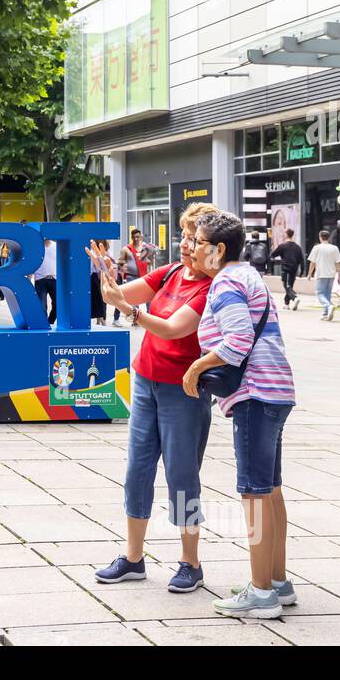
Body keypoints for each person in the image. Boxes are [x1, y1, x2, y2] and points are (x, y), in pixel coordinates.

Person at [91, 202, 218, 594]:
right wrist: (107, 278)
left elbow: (171, 328)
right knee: (137, 470)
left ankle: (190, 563)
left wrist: (128, 309)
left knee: (182, 476)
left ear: (214, 248)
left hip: (184, 390)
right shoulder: (173, 273)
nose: (185, 244)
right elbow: (118, 294)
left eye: (194, 238)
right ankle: (132, 558)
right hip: (145, 382)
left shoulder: (211, 287)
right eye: (183, 235)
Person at [182, 210, 296, 619]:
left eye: (197, 242)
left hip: (254, 395)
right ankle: (277, 582)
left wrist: (195, 368)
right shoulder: (249, 275)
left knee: (253, 492)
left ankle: (261, 592)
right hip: (275, 391)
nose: (192, 248)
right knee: (271, 489)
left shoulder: (228, 281)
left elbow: (237, 340)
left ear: (219, 249)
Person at [307, 229, 340, 321]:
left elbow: (312, 263)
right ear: (328, 237)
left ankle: (328, 306)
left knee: (319, 293)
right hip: (331, 274)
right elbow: (337, 263)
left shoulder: (316, 248)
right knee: (327, 294)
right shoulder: (334, 248)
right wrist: (338, 275)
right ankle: (325, 313)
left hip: (321, 274)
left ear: (320, 237)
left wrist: (309, 274)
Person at [269, 228, 304, 310]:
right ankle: (286, 304)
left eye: (284, 233)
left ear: (286, 235)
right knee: (290, 286)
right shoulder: (298, 247)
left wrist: (272, 251)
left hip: (286, 268)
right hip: (294, 269)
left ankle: (295, 298)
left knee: (287, 286)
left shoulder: (282, 246)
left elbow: (272, 255)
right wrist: (302, 271)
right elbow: (302, 260)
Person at [30, 239, 57, 325]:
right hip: (40, 279)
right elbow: (32, 263)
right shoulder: (37, 246)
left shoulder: (56, 246)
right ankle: (44, 325)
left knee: (58, 304)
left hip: (54, 279)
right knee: (42, 306)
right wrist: (29, 279)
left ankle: (50, 321)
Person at [89, 239, 113, 326]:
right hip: (96, 276)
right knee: (99, 297)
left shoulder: (105, 250)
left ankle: (102, 318)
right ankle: (101, 318)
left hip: (101, 276)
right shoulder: (94, 250)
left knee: (102, 297)